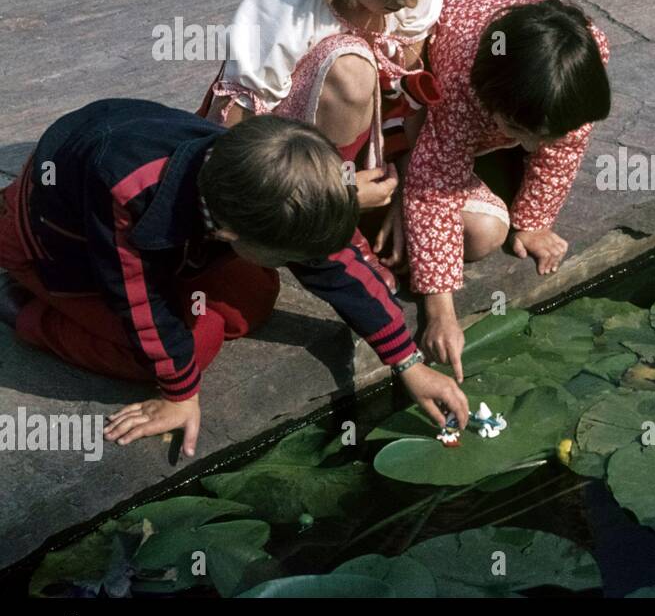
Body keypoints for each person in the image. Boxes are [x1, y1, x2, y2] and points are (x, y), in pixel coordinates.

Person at [0, 99, 469, 456]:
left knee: (255, 297)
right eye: (286, 258)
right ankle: (25, 308)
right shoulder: (124, 190)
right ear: (227, 232)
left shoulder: (254, 175)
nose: (296, 269)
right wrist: (179, 393)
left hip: (162, 236)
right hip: (58, 249)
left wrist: (407, 361)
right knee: (190, 346)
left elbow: (333, 261)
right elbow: (137, 301)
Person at [200, 0, 464, 286]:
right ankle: (333, 217)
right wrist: (320, 198)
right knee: (351, 70)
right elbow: (235, 127)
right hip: (285, 142)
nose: (410, 0)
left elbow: (411, 82)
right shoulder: (283, 8)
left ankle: (364, 191)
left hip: (362, 131)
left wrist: (412, 184)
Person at [402, 0, 612, 378]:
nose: (533, 148)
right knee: (446, 179)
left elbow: (566, 144)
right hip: (458, 36)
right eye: (519, 132)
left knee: (553, 137)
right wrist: (439, 310)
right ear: (490, 102)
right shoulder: (461, 87)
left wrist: (534, 222)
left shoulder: (583, 54)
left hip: (505, 48)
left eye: (541, 137)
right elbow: (434, 191)